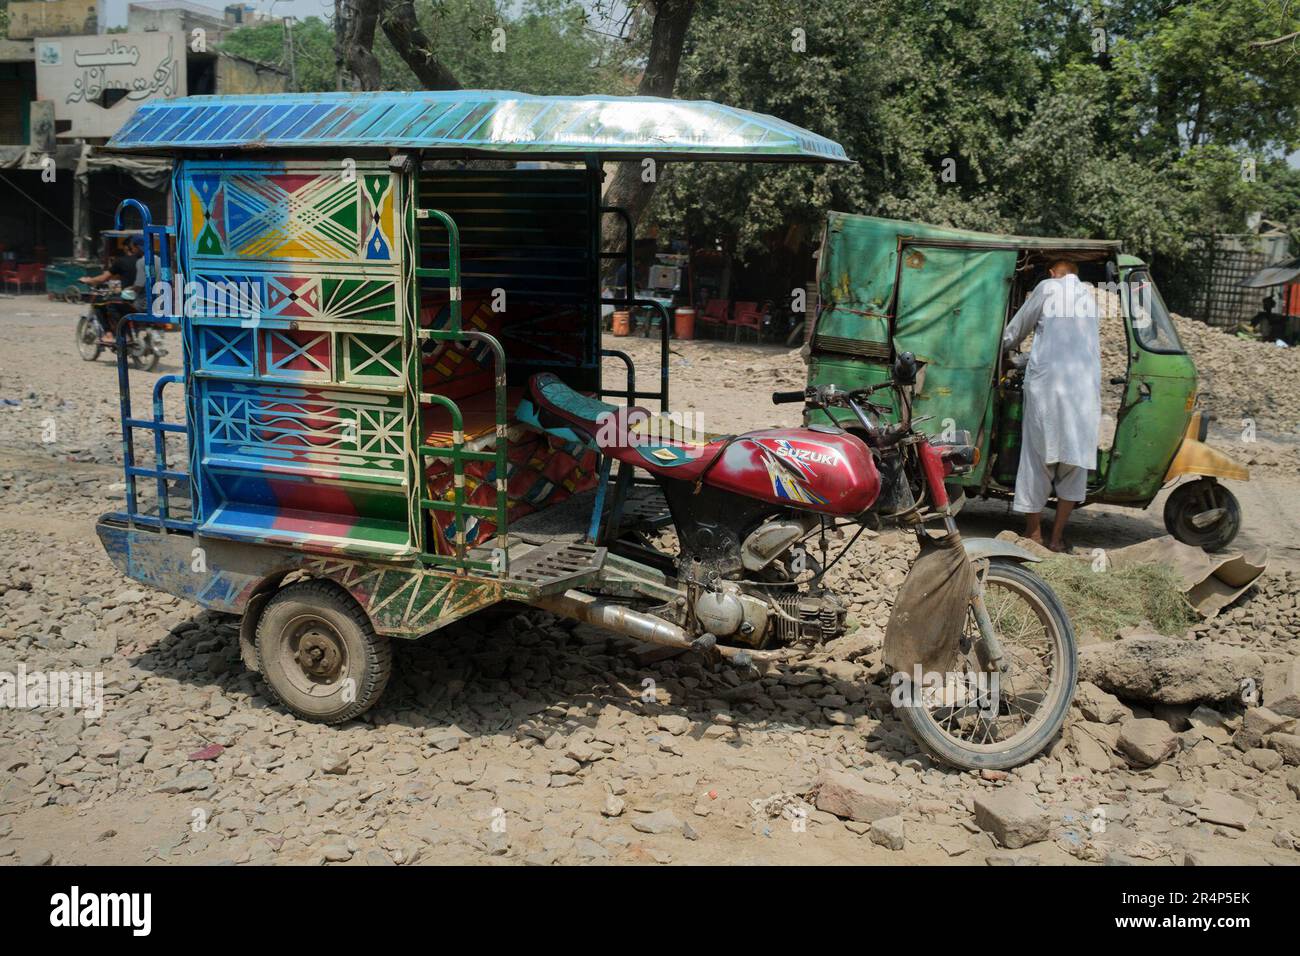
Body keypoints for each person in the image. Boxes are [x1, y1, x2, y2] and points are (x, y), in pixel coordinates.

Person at [1001, 259, 1101, 552]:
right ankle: (1057, 538)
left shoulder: (1047, 288)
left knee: (1037, 458)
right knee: (1074, 464)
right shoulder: (1090, 299)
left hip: (1048, 389)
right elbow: (1067, 344)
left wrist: (1000, 349)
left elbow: (1014, 332)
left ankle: (1034, 535)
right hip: (1083, 392)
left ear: (1053, 273)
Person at [80, 235, 145, 344]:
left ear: (128, 247)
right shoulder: (148, 261)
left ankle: (109, 334)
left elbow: (103, 278)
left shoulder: (121, 262)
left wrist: (89, 280)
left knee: (100, 304)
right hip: (145, 299)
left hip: (130, 299)